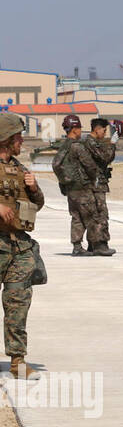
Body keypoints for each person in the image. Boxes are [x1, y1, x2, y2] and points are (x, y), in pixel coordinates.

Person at [0, 112, 45, 380]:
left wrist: (35, 187)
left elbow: (36, 205)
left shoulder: (20, 169)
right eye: (18, 136)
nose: (22, 141)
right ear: (5, 139)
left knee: (18, 302)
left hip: (19, 247)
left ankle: (18, 360)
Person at [53, 114, 114, 256]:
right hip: (82, 188)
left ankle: (77, 247)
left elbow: (56, 164)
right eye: (79, 128)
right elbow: (90, 166)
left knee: (76, 217)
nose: (81, 131)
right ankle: (98, 246)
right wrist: (94, 179)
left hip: (71, 189)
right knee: (93, 216)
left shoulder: (64, 146)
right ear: (74, 129)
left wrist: (65, 181)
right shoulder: (77, 147)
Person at [85, 118, 118, 252]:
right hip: (96, 183)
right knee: (100, 213)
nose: (104, 133)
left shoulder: (92, 142)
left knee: (94, 214)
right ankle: (100, 244)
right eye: (104, 130)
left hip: (94, 182)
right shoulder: (91, 143)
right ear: (97, 129)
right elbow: (105, 157)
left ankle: (93, 244)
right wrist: (112, 144)